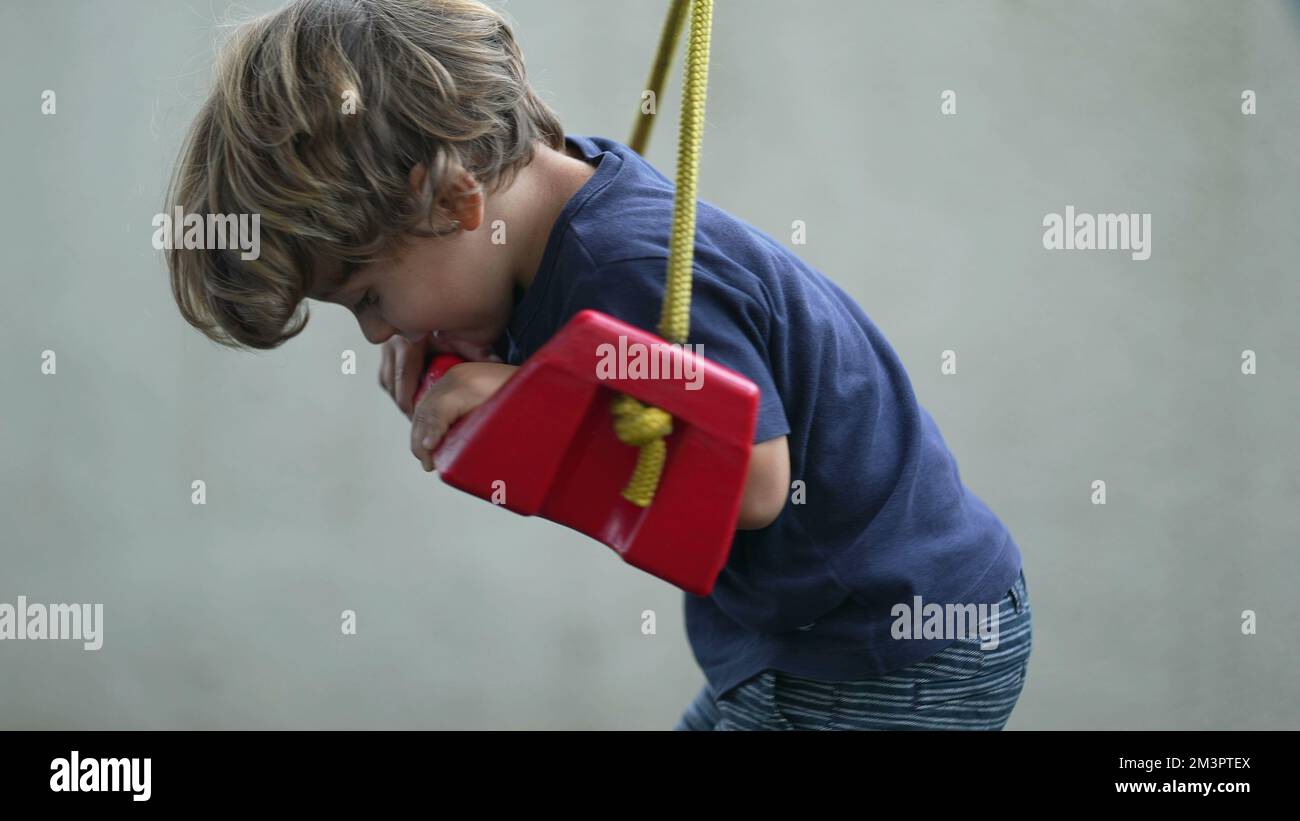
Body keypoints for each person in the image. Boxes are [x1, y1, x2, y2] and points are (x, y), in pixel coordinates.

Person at [164, 0, 1032, 730]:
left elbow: (760, 479)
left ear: (456, 201)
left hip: (892, 647)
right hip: (812, 631)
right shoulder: (551, 213)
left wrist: (527, 392)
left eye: (366, 297)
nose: (376, 335)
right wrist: (487, 348)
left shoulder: (624, 265)